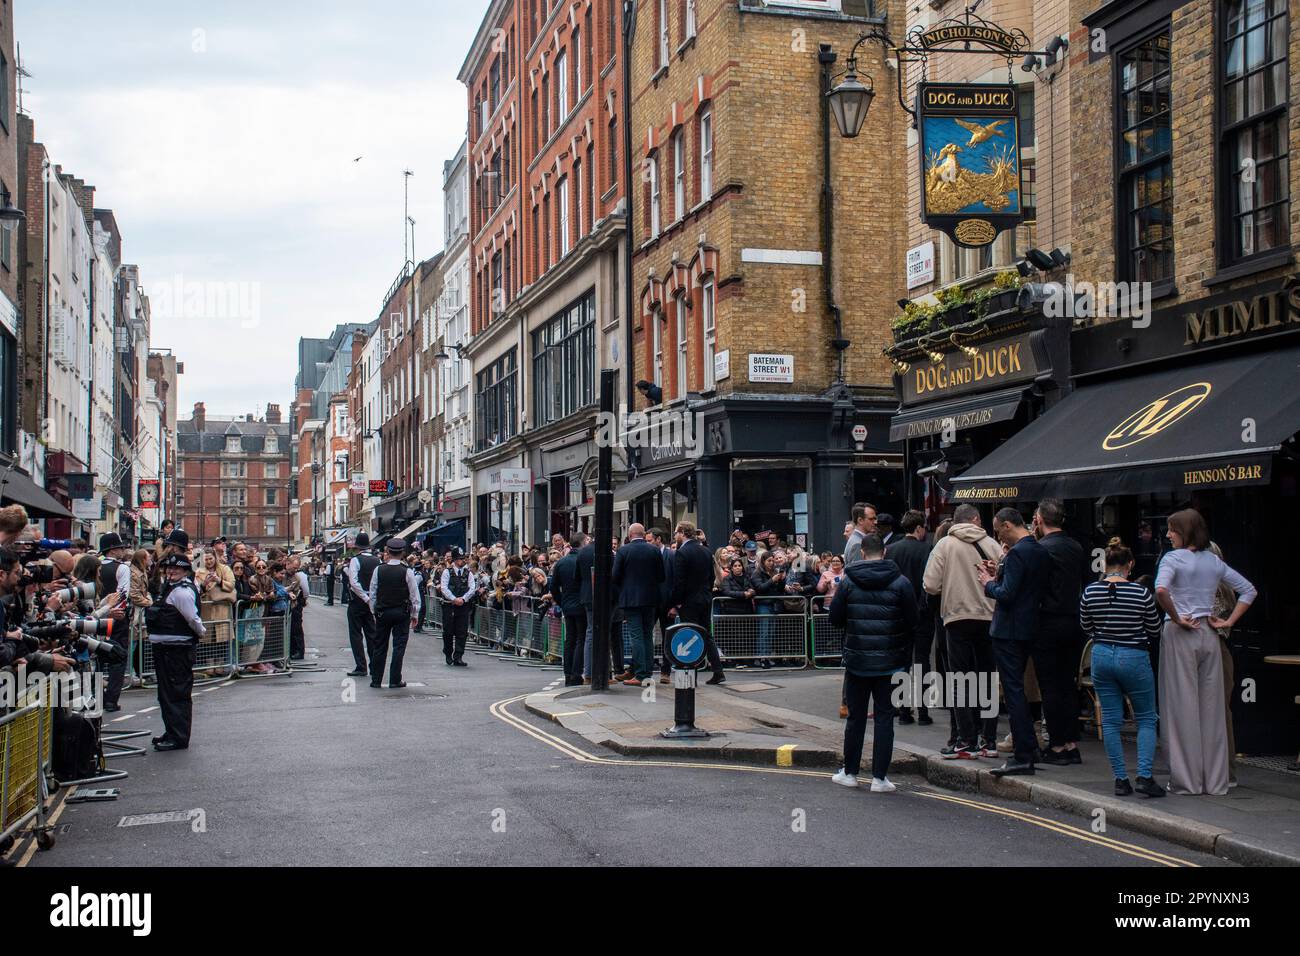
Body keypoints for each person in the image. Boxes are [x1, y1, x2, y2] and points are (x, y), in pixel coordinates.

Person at [1154, 509, 1255, 796]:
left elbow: (1161, 590)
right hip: (1210, 634)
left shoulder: (1172, 559)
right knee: (1212, 711)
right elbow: (1249, 590)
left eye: (1172, 530)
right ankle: (1215, 781)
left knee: (1181, 707)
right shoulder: (1213, 560)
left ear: (1184, 531)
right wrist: (1229, 621)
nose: (1168, 534)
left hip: (1181, 633)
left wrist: (1175, 616)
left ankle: (1187, 782)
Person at [828, 534, 919, 793]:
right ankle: (880, 778)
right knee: (884, 719)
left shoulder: (848, 582)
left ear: (862, 552)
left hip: (857, 660)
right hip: (891, 661)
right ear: (885, 551)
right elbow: (913, 620)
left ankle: (850, 772)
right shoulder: (901, 582)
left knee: (856, 718)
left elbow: (834, 618)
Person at [1080, 538, 1163, 797]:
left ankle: (1120, 779)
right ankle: (1145, 776)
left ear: (1105, 564)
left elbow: (1086, 626)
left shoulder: (1090, 591)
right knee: (1146, 718)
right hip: (1134, 656)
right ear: (1130, 564)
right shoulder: (1141, 593)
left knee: (1112, 721)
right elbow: (1155, 629)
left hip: (1102, 655)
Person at [922, 504, 1002, 759]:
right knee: (987, 678)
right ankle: (989, 740)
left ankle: (966, 740)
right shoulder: (991, 544)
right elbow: (1004, 577)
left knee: (960, 679)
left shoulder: (944, 545)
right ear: (976, 519)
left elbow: (930, 584)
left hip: (956, 618)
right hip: (989, 617)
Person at [978, 507, 1053, 778]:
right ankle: (1030, 748)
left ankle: (1022, 755)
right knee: (1019, 689)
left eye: (999, 531)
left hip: (1008, 631)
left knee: (1013, 693)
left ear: (1008, 526)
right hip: (1030, 627)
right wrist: (999, 572)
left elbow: (1007, 595)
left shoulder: (1018, 553)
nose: (999, 537)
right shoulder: (1039, 550)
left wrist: (988, 583)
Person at [1031, 498, 1089, 764]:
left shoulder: (1041, 549)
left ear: (1040, 520)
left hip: (1047, 622)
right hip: (1074, 621)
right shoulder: (1076, 546)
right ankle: (1071, 743)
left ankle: (1056, 746)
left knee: (1050, 686)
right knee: (1068, 684)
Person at [146, 553, 206, 751]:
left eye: (176, 569)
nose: (171, 572)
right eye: (168, 569)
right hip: (166, 648)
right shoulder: (170, 587)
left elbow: (193, 619)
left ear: (185, 571)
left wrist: (201, 633)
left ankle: (178, 736)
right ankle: (171, 731)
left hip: (177, 650)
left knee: (176, 693)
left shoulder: (181, 592)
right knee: (166, 694)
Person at [886, 510, 934, 726]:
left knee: (901, 662)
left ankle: (904, 710)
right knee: (922, 661)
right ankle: (923, 712)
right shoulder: (927, 550)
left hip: (898, 613)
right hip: (922, 613)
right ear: (918, 528)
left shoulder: (891, 551)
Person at [671, 520, 726, 684]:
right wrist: (707, 592)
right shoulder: (705, 551)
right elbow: (711, 577)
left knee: (689, 635)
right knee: (706, 635)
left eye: (676, 533)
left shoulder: (682, 552)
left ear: (682, 532)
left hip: (689, 601)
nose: (675, 536)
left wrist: (677, 602)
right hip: (705, 599)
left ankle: (690, 676)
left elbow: (679, 581)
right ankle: (718, 671)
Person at [611, 523, 664, 686]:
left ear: (630, 534)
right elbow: (661, 575)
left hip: (631, 599)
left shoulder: (623, 551)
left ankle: (640, 674)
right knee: (647, 635)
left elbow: (615, 576)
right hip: (651, 599)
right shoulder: (654, 550)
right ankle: (647, 672)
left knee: (636, 636)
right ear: (643, 534)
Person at [366, 538, 421, 688]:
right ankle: (395, 679)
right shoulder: (407, 571)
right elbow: (414, 596)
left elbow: (373, 593)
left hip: (383, 612)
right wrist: (415, 614)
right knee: (399, 647)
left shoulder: (379, 570)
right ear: (402, 553)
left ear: (388, 552)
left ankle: (376, 679)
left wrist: (374, 611)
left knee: (379, 646)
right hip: (401, 613)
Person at [95, 533, 133, 712]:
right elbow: (123, 593)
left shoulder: (93, 565)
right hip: (115, 617)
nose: (122, 550)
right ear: (112, 549)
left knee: (96, 656)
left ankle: (95, 695)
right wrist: (118, 611)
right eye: (119, 548)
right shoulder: (122, 568)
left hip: (94, 616)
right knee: (118, 657)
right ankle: (111, 699)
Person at [550, 534, 587, 686]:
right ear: (581, 543)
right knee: (580, 639)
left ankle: (567, 674)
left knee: (570, 639)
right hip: (582, 605)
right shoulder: (583, 560)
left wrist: (562, 602)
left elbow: (553, 587)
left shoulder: (561, 563)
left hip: (567, 606)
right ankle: (576, 674)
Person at [345, 534, 380, 678]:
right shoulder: (377, 560)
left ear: (357, 547)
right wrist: (372, 598)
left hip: (358, 601)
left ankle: (361, 666)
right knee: (371, 634)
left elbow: (353, 583)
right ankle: (374, 665)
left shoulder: (355, 560)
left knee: (356, 635)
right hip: (372, 601)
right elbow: (378, 581)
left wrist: (365, 597)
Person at [438, 546, 476, 667]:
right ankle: (448, 653)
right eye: (459, 559)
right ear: (454, 560)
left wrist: (463, 599)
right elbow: (444, 588)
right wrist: (454, 599)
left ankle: (458, 656)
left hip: (463, 606)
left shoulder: (468, 573)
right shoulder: (446, 572)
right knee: (448, 631)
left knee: (462, 632)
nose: (462, 561)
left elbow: (472, 588)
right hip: (449, 606)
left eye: (463, 558)